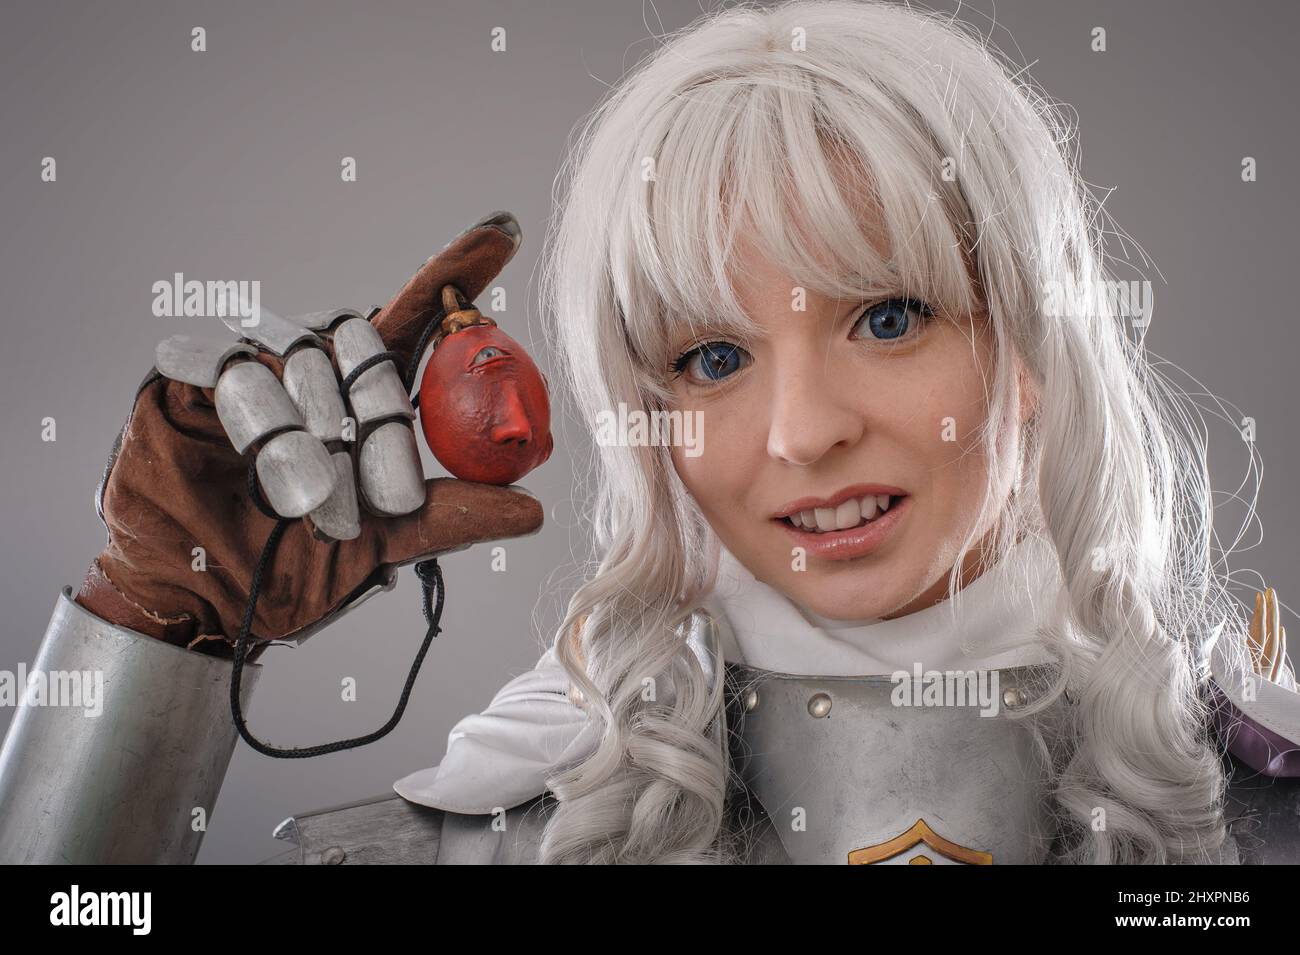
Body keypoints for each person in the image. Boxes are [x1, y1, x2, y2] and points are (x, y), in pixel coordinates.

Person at [1, 0, 1295, 865]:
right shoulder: (491, 836)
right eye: (713, 358)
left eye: (890, 316)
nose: (800, 433)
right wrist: (160, 630)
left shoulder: (1263, 815)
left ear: (1029, 353)